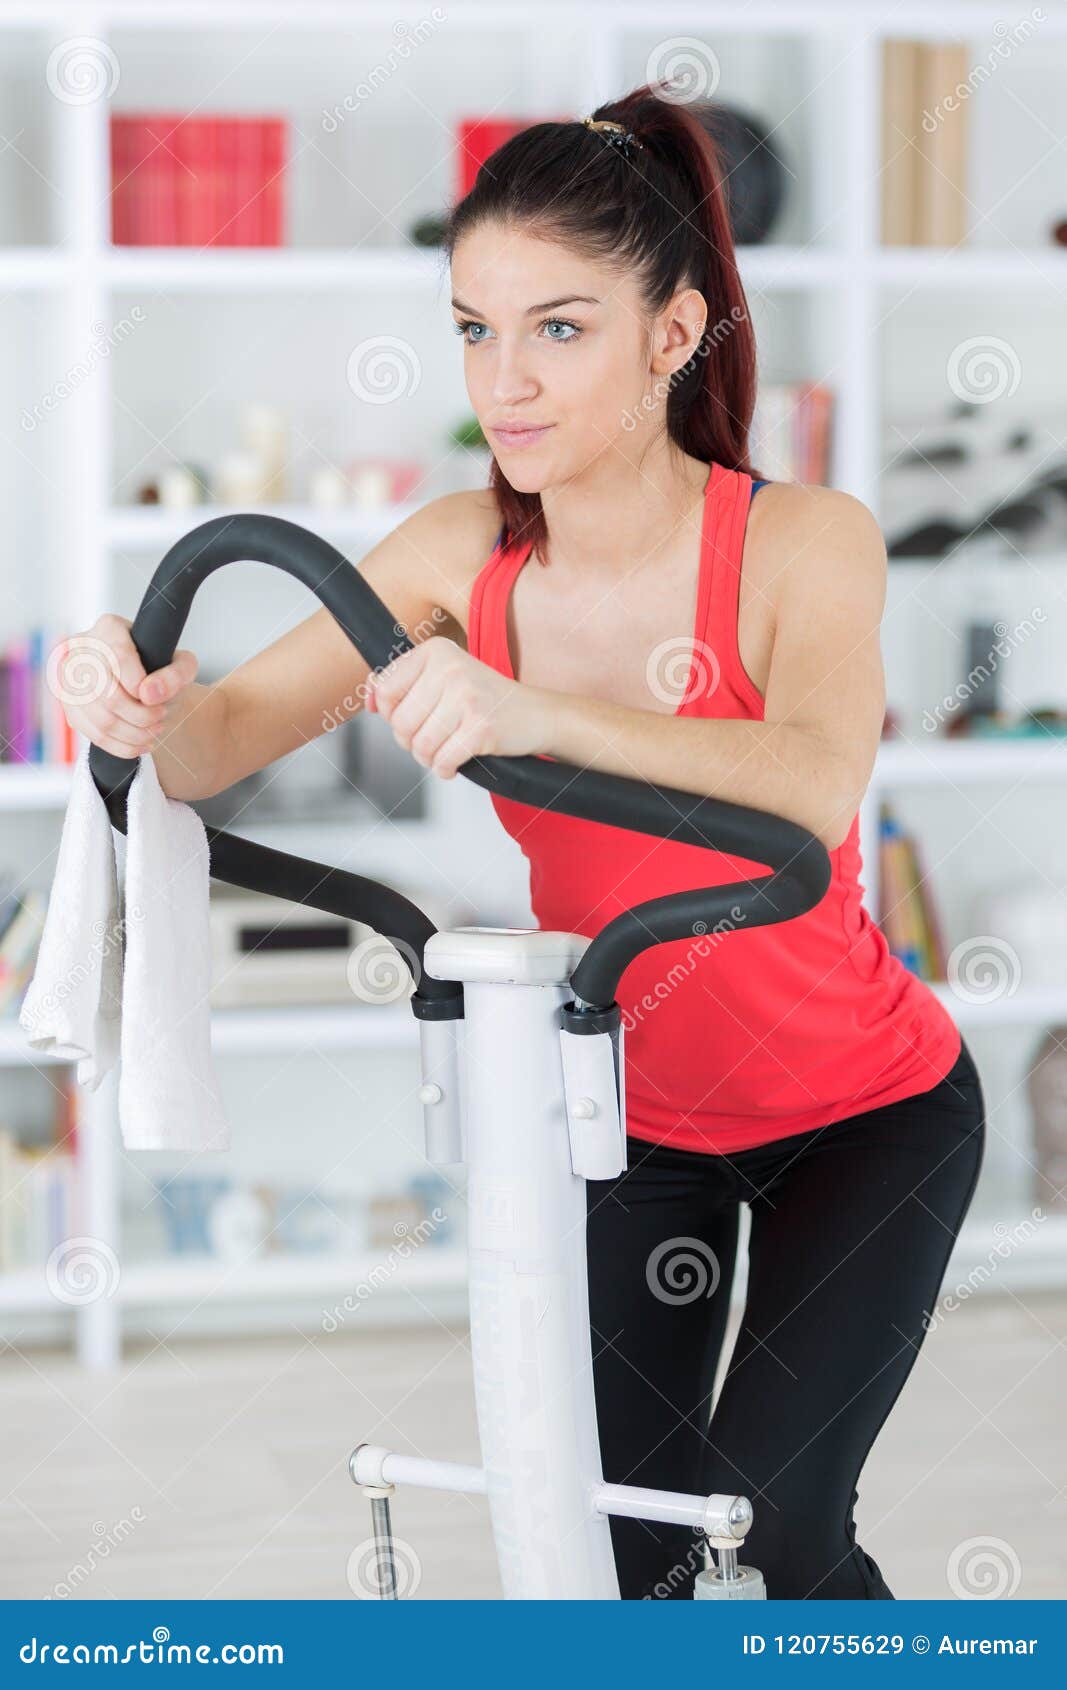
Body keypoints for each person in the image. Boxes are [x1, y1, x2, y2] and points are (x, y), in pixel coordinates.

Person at [60, 85, 985, 1601]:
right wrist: (127, 692)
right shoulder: (449, 555)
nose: (508, 380)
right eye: (475, 329)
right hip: (632, 1118)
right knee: (632, 1545)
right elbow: (215, 742)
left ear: (673, 335)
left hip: (866, 1116)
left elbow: (814, 788)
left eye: (559, 327)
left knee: (774, 1520)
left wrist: (528, 710)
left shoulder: (808, 541)